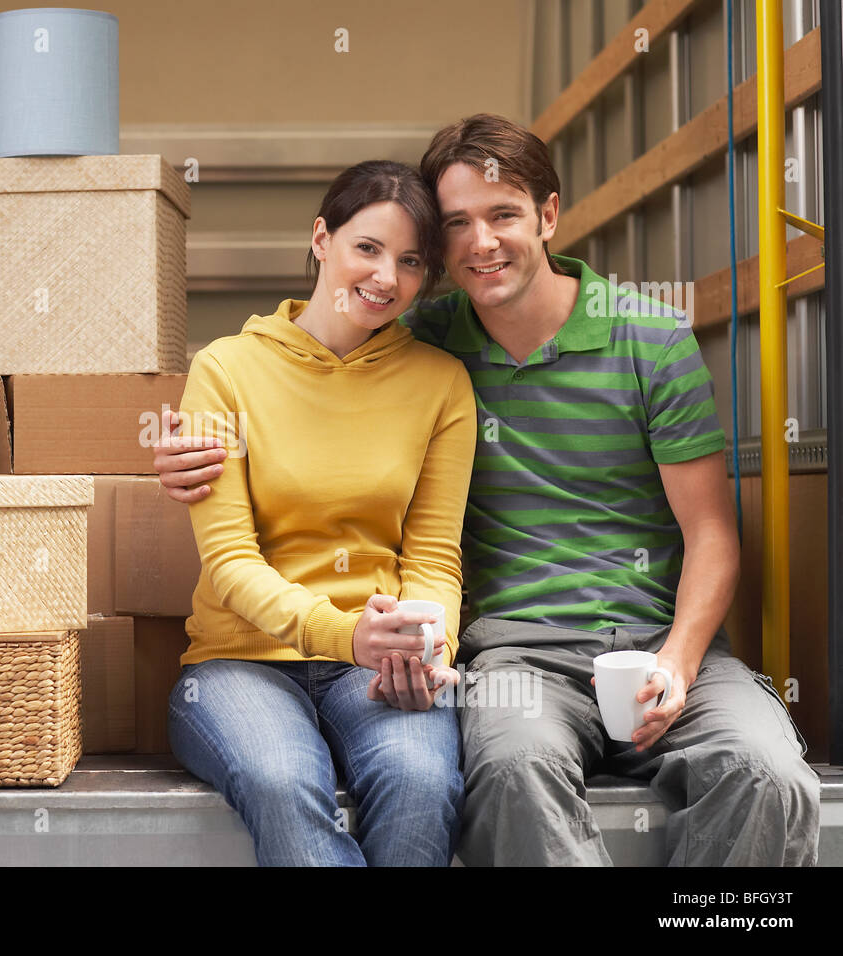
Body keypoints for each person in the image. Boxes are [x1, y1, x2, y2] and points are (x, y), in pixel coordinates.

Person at [156, 115, 820, 866]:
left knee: (768, 776)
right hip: (516, 657)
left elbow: (711, 536)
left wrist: (680, 659)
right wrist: (173, 447)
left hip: (655, 644)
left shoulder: (639, 341)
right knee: (506, 774)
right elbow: (303, 365)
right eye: (456, 226)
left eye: (503, 214)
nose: (481, 244)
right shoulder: (424, 336)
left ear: (548, 215)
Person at [166, 160, 477, 866]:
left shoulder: (440, 382)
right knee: (282, 780)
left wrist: (428, 648)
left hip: (378, 664)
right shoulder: (226, 370)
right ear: (320, 238)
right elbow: (230, 560)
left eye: (410, 262)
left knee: (422, 781)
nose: (386, 278)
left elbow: (432, 557)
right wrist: (345, 634)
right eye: (366, 248)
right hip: (238, 662)